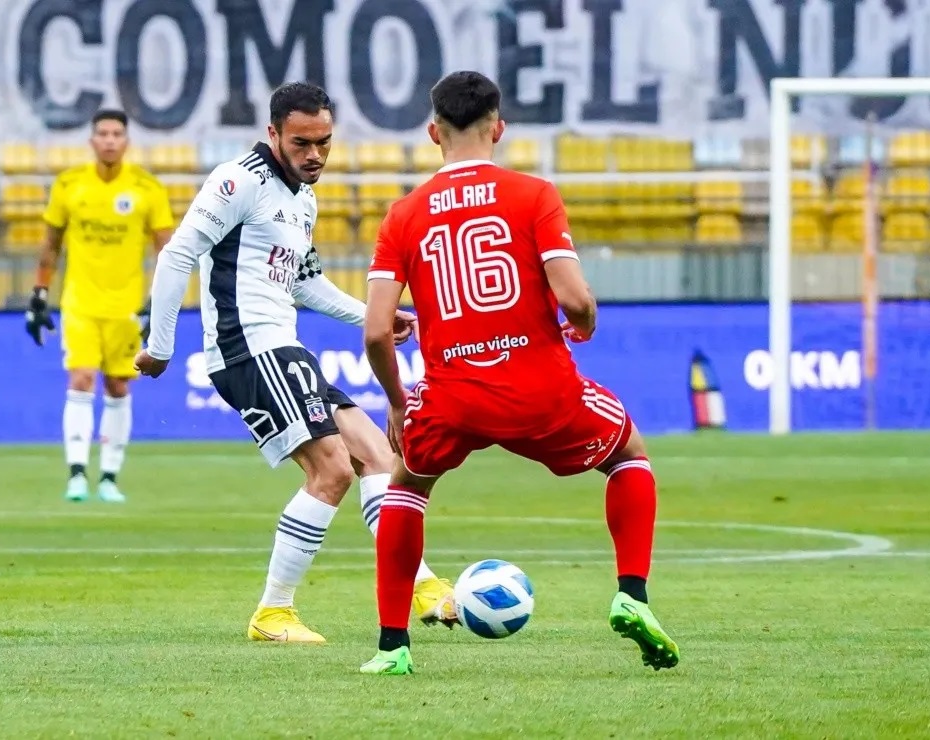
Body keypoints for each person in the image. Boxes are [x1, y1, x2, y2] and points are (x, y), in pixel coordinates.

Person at [358, 71, 680, 675]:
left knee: (406, 487)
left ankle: (392, 647)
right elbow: (575, 300)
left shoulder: (402, 215)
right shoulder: (535, 195)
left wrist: (399, 401)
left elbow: (377, 331)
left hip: (452, 395)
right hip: (542, 391)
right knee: (629, 454)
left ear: (434, 132)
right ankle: (631, 595)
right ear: (498, 128)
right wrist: (583, 322)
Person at [134, 82, 457, 643]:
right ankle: (274, 612)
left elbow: (305, 283)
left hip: (285, 346)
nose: (315, 155)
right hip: (248, 349)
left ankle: (420, 584)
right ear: (273, 134)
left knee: (380, 455)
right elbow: (177, 253)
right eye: (302, 143)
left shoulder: (302, 198)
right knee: (331, 470)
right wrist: (160, 346)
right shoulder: (239, 181)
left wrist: (375, 315)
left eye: (325, 143)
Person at [25, 109, 176, 503]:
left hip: (126, 307)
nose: (109, 140)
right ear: (92, 141)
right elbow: (51, 244)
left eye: (116, 134)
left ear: (126, 141)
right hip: (80, 302)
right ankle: (77, 474)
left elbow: (169, 251)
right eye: (103, 134)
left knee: (118, 384)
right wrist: (39, 294)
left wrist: (156, 303)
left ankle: (109, 477)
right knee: (80, 379)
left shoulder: (147, 188)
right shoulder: (70, 185)